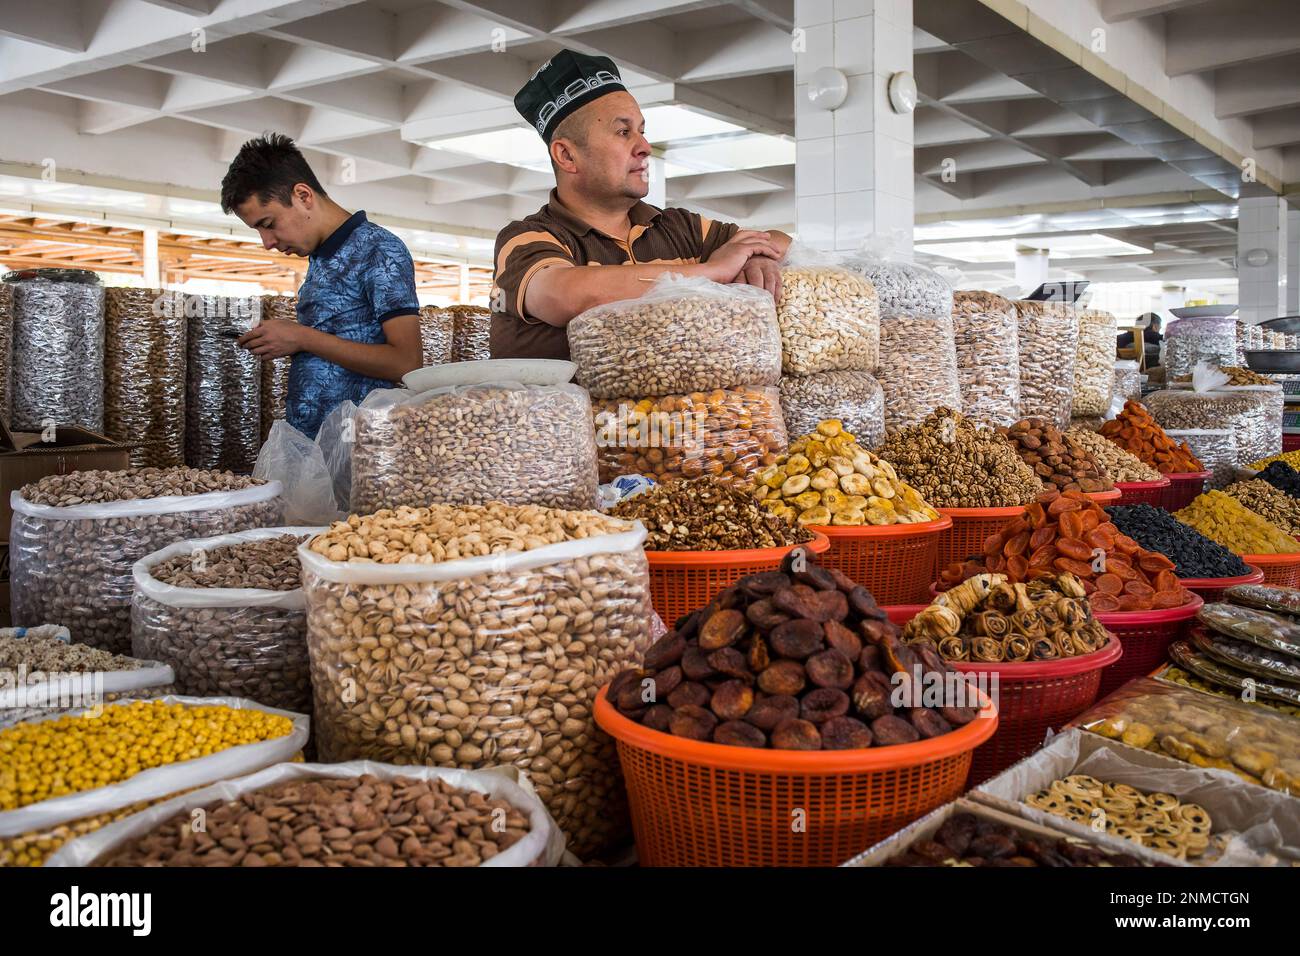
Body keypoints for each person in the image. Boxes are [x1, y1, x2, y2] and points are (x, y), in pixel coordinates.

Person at [491, 50, 793, 360]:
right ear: (567, 156)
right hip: (572, 410)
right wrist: (712, 271)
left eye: (642, 131)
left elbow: (779, 240)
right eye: (623, 132)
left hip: (692, 410)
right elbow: (567, 295)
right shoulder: (526, 238)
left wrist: (758, 258)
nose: (645, 147)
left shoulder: (679, 227)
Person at [220, 133, 422, 439]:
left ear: (303, 196)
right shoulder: (321, 258)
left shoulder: (379, 249)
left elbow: (406, 362)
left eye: (268, 224)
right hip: (317, 450)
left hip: (360, 449)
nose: (267, 243)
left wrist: (301, 337)